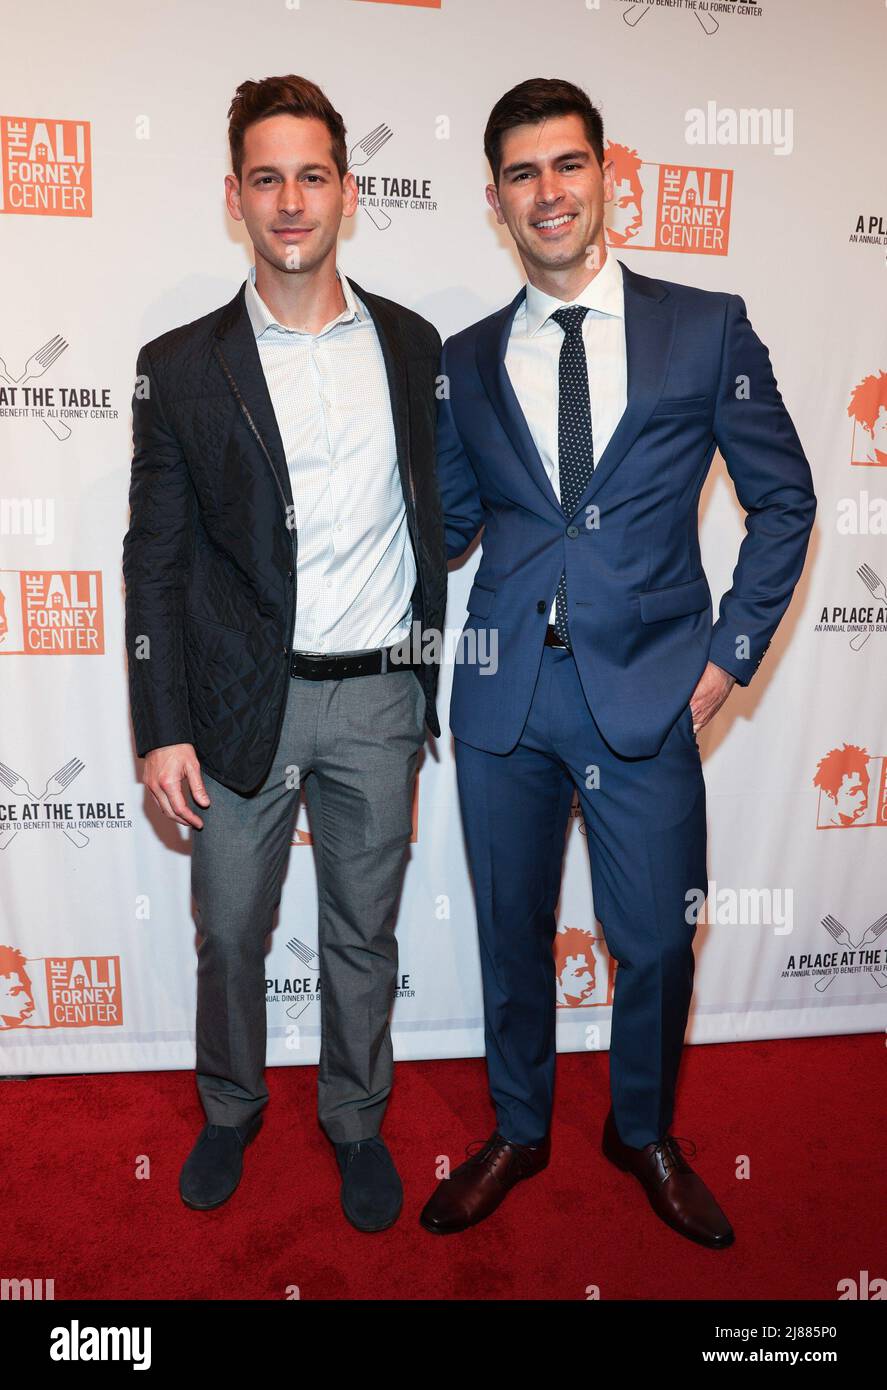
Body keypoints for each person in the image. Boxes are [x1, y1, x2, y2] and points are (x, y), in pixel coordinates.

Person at [421, 78, 816, 1247]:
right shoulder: (461, 357)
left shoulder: (707, 326)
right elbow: (441, 521)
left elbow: (783, 499)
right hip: (505, 694)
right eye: (522, 175)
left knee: (651, 939)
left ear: (608, 175)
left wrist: (726, 657)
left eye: (567, 165)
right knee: (508, 931)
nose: (548, 192)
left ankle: (638, 1128)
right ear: (495, 203)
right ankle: (518, 1125)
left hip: (647, 692)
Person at [122, 74, 446, 1232]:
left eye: (313, 175)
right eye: (267, 177)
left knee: (363, 931)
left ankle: (355, 1118)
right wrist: (159, 720)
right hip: (232, 707)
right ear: (234, 196)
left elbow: (441, 508)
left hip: (376, 698)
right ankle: (230, 1106)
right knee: (233, 929)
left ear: (347, 192)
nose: (291, 200)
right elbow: (152, 555)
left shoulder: (412, 346)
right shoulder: (181, 361)